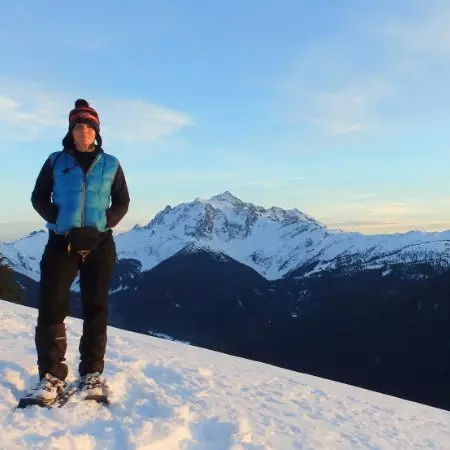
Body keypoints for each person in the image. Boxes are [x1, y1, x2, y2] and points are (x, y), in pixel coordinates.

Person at [26, 99, 130, 405]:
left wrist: (105, 223)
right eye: (78, 126)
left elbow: (122, 201)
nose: (83, 131)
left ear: (96, 132)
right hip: (62, 242)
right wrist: (58, 221)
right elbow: (38, 196)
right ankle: (51, 377)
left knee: (96, 307)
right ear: (71, 131)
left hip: (99, 244)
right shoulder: (56, 161)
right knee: (51, 305)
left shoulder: (110, 163)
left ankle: (91, 375)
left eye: (88, 126)